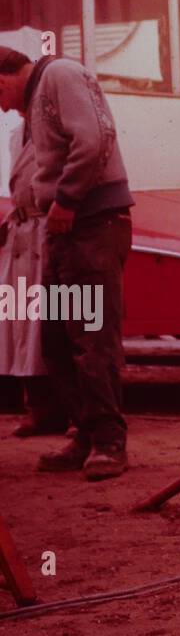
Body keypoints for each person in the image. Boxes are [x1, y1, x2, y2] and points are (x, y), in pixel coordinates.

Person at [0, 46, 134, 480]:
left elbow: (92, 139)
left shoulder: (59, 76)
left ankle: (109, 441)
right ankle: (86, 433)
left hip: (90, 224)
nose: (3, 107)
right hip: (68, 229)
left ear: (2, 79)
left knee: (92, 337)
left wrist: (67, 200)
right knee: (58, 339)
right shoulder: (45, 90)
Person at [0, 121, 64, 436]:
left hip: (44, 229)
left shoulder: (52, 128)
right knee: (21, 325)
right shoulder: (18, 132)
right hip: (22, 232)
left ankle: (66, 410)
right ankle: (38, 407)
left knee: (48, 324)